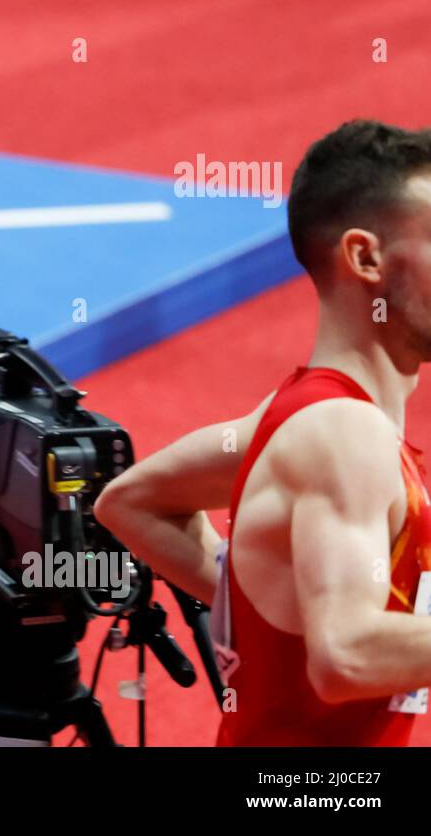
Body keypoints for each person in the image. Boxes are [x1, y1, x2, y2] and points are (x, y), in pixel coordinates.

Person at [95, 119, 431, 746]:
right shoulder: (341, 433)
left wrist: (266, 600)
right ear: (365, 257)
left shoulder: (290, 417)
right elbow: (348, 657)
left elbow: (132, 501)